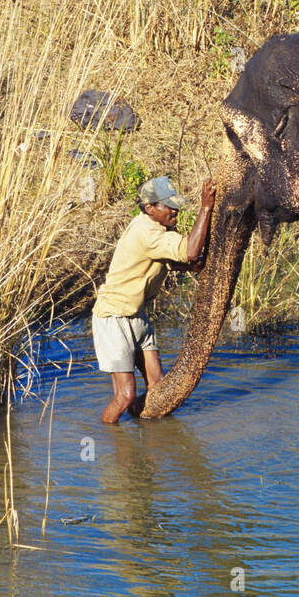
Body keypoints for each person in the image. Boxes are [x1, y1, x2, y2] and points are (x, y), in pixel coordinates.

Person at [92, 175, 216, 423]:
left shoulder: (154, 227)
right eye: (169, 206)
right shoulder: (146, 232)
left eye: (176, 205)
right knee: (125, 395)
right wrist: (206, 207)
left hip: (136, 315)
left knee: (157, 385)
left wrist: (187, 267)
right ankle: (111, 440)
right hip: (114, 317)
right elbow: (190, 251)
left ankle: (143, 430)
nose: (176, 211)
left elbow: (165, 260)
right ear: (150, 208)